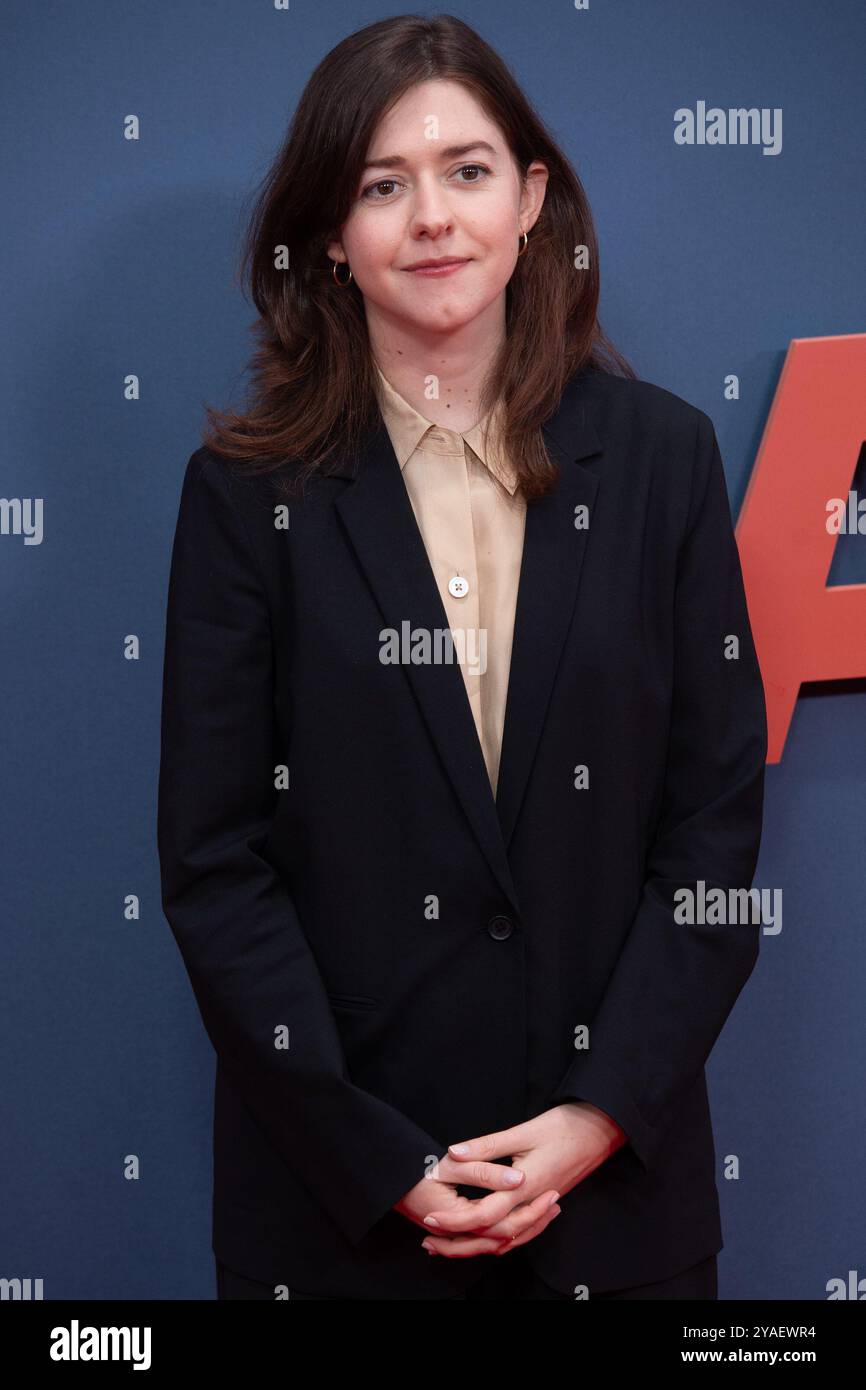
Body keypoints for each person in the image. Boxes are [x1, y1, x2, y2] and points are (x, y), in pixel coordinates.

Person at [157, 14, 767, 1301]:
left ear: (532, 197)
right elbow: (216, 867)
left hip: (616, 1217)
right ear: (329, 229)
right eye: (383, 185)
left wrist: (600, 1115)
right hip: (340, 1223)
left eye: (468, 170)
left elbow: (710, 835)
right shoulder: (243, 494)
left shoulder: (663, 462)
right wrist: (370, 1154)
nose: (431, 217)